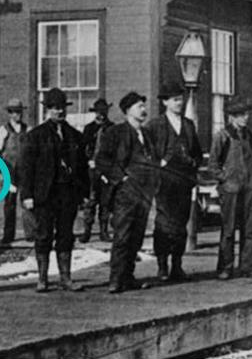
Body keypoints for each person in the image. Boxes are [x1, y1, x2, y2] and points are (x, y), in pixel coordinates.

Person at [19, 87, 90, 293]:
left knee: (66, 235)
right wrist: (27, 195)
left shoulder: (75, 136)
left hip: (68, 194)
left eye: (62, 108)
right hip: (44, 195)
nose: (59, 111)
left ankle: (66, 278)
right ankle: (42, 279)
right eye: (54, 108)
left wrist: (84, 194)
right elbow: (25, 168)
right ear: (47, 110)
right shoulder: (35, 136)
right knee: (43, 235)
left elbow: (82, 168)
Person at [96, 92, 158, 293]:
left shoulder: (147, 134)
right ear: (128, 110)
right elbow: (102, 160)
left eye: (144, 106)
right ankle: (115, 279)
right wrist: (121, 178)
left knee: (136, 236)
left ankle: (128, 276)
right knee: (122, 236)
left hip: (144, 194)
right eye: (139, 106)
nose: (144, 110)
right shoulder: (115, 133)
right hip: (125, 194)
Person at [146, 81, 203, 282]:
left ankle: (177, 266)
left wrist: (193, 163)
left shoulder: (188, 125)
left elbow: (197, 153)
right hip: (164, 184)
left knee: (181, 224)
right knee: (163, 224)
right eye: (175, 100)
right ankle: (162, 266)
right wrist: (159, 165)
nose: (179, 103)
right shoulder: (154, 126)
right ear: (165, 102)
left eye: (181, 99)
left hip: (184, 183)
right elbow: (147, 154)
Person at [208, 98, 252, 279]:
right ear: (232, 117)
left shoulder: (248, 135)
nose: (246, 118)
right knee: (228, 229)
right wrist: (226, 179)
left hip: (249, 189)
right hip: (230, 190)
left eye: (246, 114)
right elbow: (212, 165)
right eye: (241, 115)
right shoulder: (222, 136)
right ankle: (225, 267)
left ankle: (247, 266)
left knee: (250, 229)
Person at [0, 98, 29, 246]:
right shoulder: (3, 130)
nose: (17, 115)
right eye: (14, 112)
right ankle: (8, 235)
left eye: (19, 112)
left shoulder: (28, 129)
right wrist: (1, 172)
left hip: (24, 171)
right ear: (9, 114)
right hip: (9, 171)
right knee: (9, 203)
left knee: (27, 201)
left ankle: (30, 233)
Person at [81, 98, 115, 244]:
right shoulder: (89, 129)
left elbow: (115, 151)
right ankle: (87, 231)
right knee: (90, 201)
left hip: (106, 171)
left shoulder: (112, 128)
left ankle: (104, 231)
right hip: (92, 171)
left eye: (103, 112)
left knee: (105, 201)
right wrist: (88, 160)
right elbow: (82, 149)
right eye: (98, 112)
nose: (101, 115)